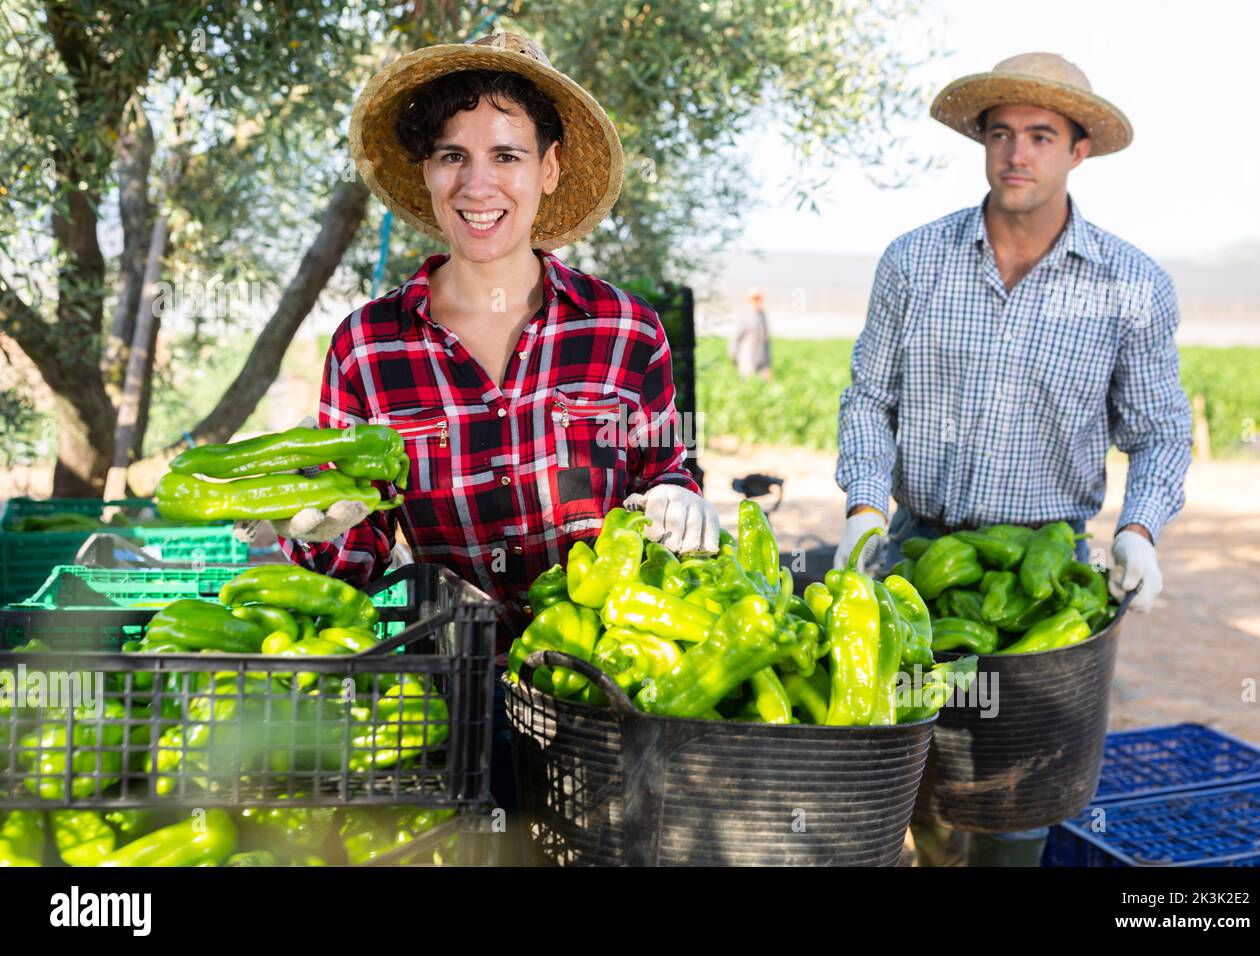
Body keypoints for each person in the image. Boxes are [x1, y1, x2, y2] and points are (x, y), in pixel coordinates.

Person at [272, 33, 721, 809]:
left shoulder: (625, 331)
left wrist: (682, 498)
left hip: (608, 703)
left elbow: (663, 472)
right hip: (452, 703)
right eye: (452, 156)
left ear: (548, 170)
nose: (477, 184)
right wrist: (311, 531)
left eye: (507, 156)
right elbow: (354, 559)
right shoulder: (366, 347)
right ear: (426, 171)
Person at [833, 53, 1192, 865]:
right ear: (982, 144)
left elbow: (1161, 430)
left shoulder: (1130, 285)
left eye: (1040, 135)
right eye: (1000, 134)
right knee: (913, 779)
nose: (1016, 155)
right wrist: (864, 506)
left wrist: (1139, 529)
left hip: (1047, 577)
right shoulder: (914, 261)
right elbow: (868, 399)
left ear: (1080, 150)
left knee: (1020, 794)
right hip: (915, 554)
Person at [730, 287, 772, 379]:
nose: (758, 300)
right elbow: (736, 338)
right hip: (746, 360)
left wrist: (768, 363)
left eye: (759, 298)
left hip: (761, 360)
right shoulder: (744, 315)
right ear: (749, 299)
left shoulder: (763, 315)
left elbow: (766, 341)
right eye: (755, 298)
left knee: (764, 385)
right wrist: (734, 357)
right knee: (749, 386)